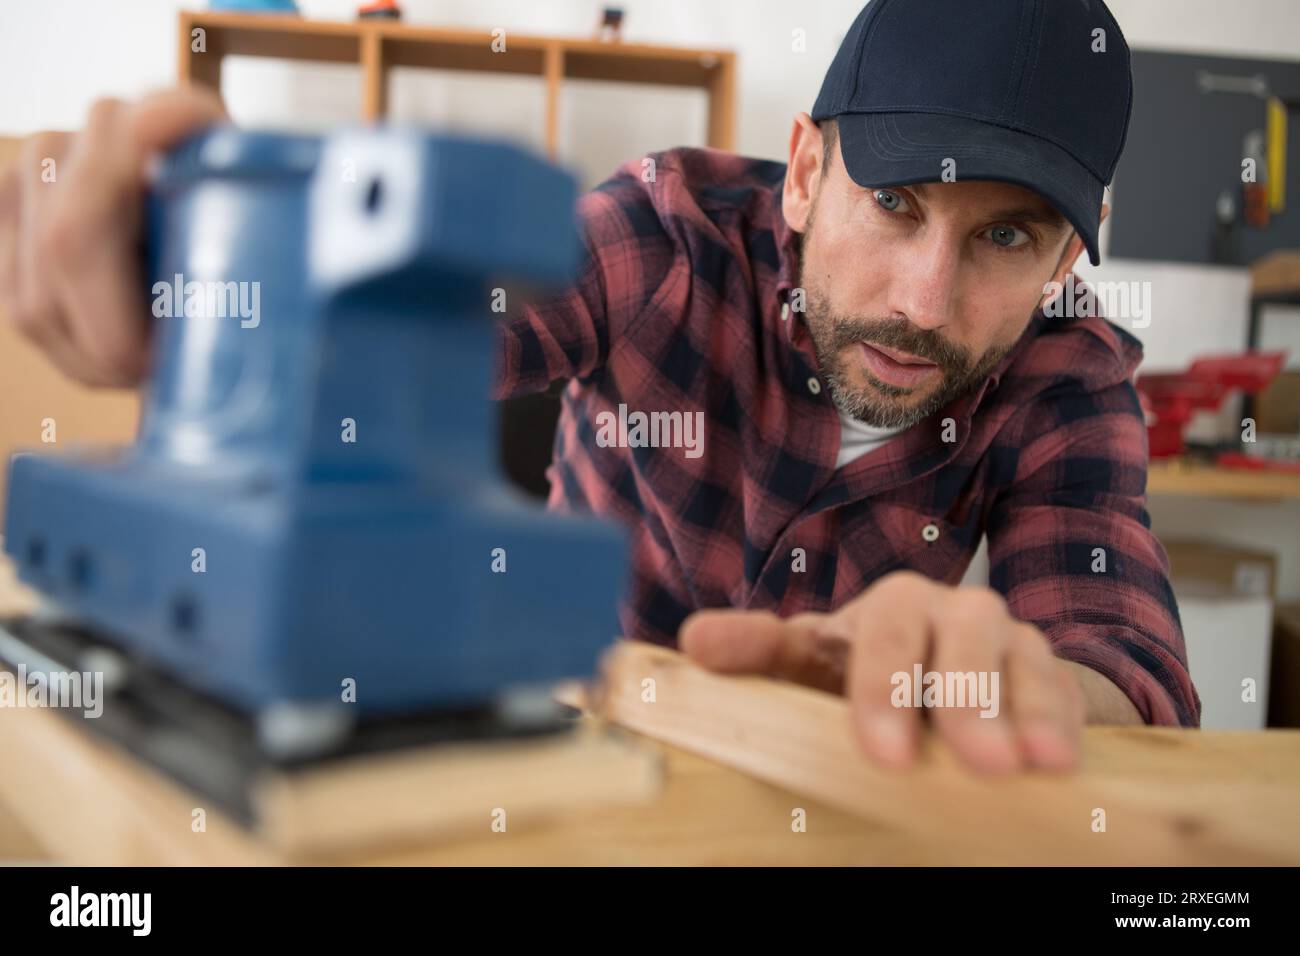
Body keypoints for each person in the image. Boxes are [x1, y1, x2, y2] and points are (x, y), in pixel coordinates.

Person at [0, 0, 1200, 775]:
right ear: (802, 171)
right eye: (893, 204)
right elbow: (401, 327)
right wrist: (202, 271)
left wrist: (1027, 689)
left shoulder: (1069, 376)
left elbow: (1126, 671)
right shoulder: (661, 236)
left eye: (1006, 237)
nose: (924, 301)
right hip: (557, 761)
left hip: (837, 790)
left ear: (1063, 259)